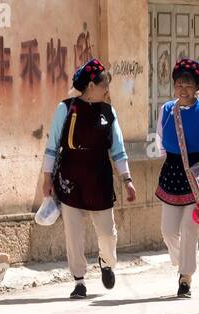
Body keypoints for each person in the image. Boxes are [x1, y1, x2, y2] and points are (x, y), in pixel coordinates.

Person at [41, 59, 136, 298]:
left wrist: (127, 179)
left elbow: (118, 149)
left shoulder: (108, 112)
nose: (107, 90)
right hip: (70, 177)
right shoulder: (65, 109)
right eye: (104, 85)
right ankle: (79, 281)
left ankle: (106, 261)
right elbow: (52, 146)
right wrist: (46, 177)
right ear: (91, 86)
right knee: (73, 233)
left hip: (100, 177)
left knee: (107, 233)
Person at [155, 58, 199, 298]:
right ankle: (180, 259)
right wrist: (174, 160)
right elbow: (161, 140)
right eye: (179, 85)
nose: (183, 89)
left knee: (190, 227)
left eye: (188, 85)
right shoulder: (166, 110)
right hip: (173, 174)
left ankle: (185, 277)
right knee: (168, 230)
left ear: (197, 88)